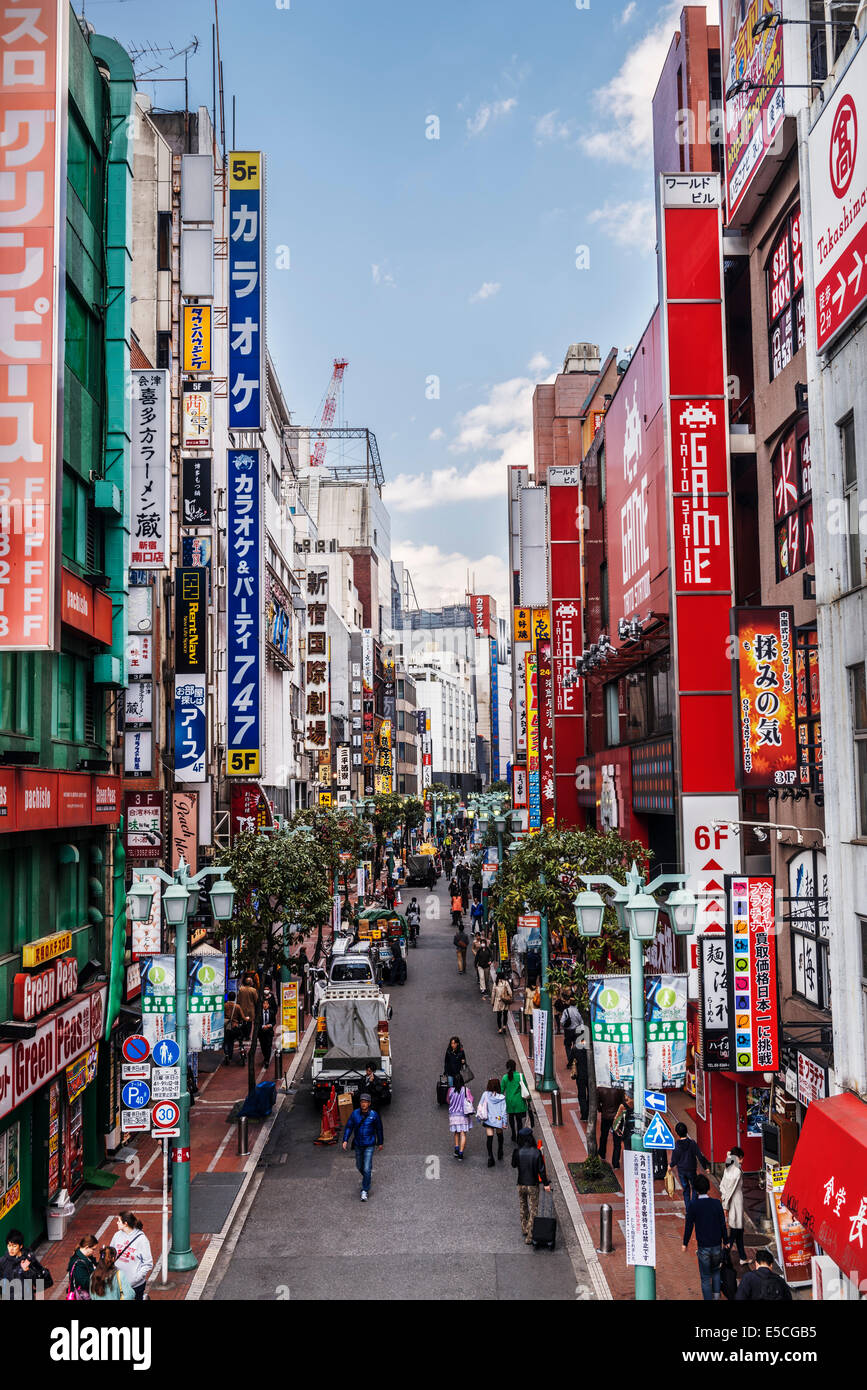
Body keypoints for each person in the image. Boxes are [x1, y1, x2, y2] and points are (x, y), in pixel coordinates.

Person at [682, 1173, 729, 1301]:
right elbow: (722, 1224)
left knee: (705, 1277)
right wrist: (726, 1240)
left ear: (696, 1190)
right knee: (716, 1272)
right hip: (716, 1245)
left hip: (703, 1247)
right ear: (708, 1187)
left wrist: (685, 1243)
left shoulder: (693, 1206)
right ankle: (716, 1296)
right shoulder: (716, 1203)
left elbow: (689, 1226)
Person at [512, 1126, 551, 1244]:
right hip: (533, 1184)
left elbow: (513, 1165)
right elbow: (541, 1170)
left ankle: (524, 1228)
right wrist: (546, 1184)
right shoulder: (536, 1152)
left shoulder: (517, 1151)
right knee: (534, 1208)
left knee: (523, 1206)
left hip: (521, 1183)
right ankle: (530, 1235)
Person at [342, 1091, 384, 1201]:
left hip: (369, 1144)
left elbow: (379, 1129)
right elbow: (349, 1127)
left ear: (369, 1103)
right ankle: (367, 1177)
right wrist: (345, 1140)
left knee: (366, 1168)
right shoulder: (355, 1114)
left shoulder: (374, 1115)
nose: (363, 1104)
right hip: (358, 1144)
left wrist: (380, 1142)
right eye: (362, 1102)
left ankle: (364, 1190)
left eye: (365, 1102)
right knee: (359, 1166)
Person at [110, 1212, 153, 1301]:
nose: (117, 1223)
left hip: (135, 1286)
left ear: (125, 1223)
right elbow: (111, 1255)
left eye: (118, 1221)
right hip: (117, 1284)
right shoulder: (116, 1235)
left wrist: (135, 1279)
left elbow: (148, 1263)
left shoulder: (142, 1240)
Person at [669, 1121, 710, 1209]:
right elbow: (699, 1155)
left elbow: (675, 1158)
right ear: (686, 1131)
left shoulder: (677, 1145)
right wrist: (705, 1167)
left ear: (676, 1133)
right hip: (691, 1169)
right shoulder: (692, 1143)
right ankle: (694, 1205)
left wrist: (671, 1165)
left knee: (686, 1189)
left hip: (681, 1170)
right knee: (694, 1187)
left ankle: (688, 1209)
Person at [719, 1146, 747, 1260]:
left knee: (738, 1231)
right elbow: (731, 1189)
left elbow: (723, 1186)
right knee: (735, 1230)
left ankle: (743, 1257)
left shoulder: (729, 1166)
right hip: (736, 1202)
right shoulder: (736, 1171)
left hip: (733, 1201)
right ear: (739, 1158)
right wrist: (726, 1206)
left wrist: (724, 1202)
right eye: (742, 1158)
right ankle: (723, 1256)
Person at [477, 1077, 508, 1166]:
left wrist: (479, 1118)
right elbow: (504, 1112)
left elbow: (480, 1106)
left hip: (488, 1120)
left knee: (489, 1138)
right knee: (500, 1136)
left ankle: (490, 1157)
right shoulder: (502, 1098)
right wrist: (504, 1123)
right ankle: (500, 1151)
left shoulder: (485, 1095)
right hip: (498, 1120)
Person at [596, 1084, 627, 1167]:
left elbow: (597, 1103)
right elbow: (623, 1102)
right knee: (617, 1141)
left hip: (605, 1116)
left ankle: (602, 1153)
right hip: (617, 1117)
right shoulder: (619, 1088)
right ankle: (615, 1162)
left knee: (603, 1136)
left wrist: (601, 1110)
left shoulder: (601, 1088)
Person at [502, 1058, 529, 1143]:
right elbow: (525, 1089)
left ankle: (513, 1133)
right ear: (515, 1067)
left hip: (509, 1101)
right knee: (519, 1119)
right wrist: (529, 1101)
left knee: (511, 1117)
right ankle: (519, 1136)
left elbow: (501, 1090)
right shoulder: (520, 1076)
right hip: (519, 1101)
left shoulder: (505, 1078)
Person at [447, 1077, 474, 1159]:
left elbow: (448, 1101)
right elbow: (471, 1100)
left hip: (453, 1115)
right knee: (463, 1133)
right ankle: (461, 1153)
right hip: (464, 1115)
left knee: (456, 1132)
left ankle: (456, 1148)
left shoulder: (450, 1090)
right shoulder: (466, 1090)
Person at [66, 1234, 98, 1299]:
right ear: (86, 1247)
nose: (94, 1252)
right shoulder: (79, 1264)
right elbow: (85, 1283)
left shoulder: (87, 1257)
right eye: (93, 1249)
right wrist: (99, 1278)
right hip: (83, 1295)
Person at [566, 1032, 589, 1123]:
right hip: (590, 1075)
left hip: (580, 1075)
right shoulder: (590, 1047)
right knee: (590, 1094)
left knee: (582, 1094)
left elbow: (570, 1060)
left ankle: (584, 1114)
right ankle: (589, 1111)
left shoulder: (576, 1048)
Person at [223, 990, 244, 1065]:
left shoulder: (225, 1005)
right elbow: (242, 1017)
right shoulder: (237, 1006)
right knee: (231, 1042)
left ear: (228, 997)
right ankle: (230, 1057)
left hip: (226, 1026)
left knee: (225, 1041)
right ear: (235, 998)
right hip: (234, 1027)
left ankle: (226, 1054)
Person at [560, 997, 583, 1063]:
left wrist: (564, 1026)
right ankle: (576, 1060)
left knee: (567, 1046)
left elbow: (562, 1021)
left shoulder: (566, 1011)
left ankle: (570, 1059)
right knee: (576, 1045)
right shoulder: (578, 1011)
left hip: (568, 1031)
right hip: (577, 1030)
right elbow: (581, 1022)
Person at [258, 986, 277, 1066]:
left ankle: (267, 1060)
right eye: (264, 1004)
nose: (265, 1005)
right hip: (261, 1032)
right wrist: (262, 1026)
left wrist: (269, 1025)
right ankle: (265, 1056)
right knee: (263, 1045)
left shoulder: (272, 1012)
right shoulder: (259, 1013)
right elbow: (257, 1023)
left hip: (269, 1031)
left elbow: (274, 1022)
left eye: (266, 1004)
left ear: (269, 1005)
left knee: (268, 1045)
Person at [237, 974, 258, 1044]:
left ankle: (242, 1035)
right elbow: (256, 1001)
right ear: (250, 983)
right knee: (249, 1023)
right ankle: (247, 1036)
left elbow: (238, 1000)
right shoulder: (253, 990)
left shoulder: (241, 989)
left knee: (242, 1022)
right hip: (250, 1010)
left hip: (242, 1009)